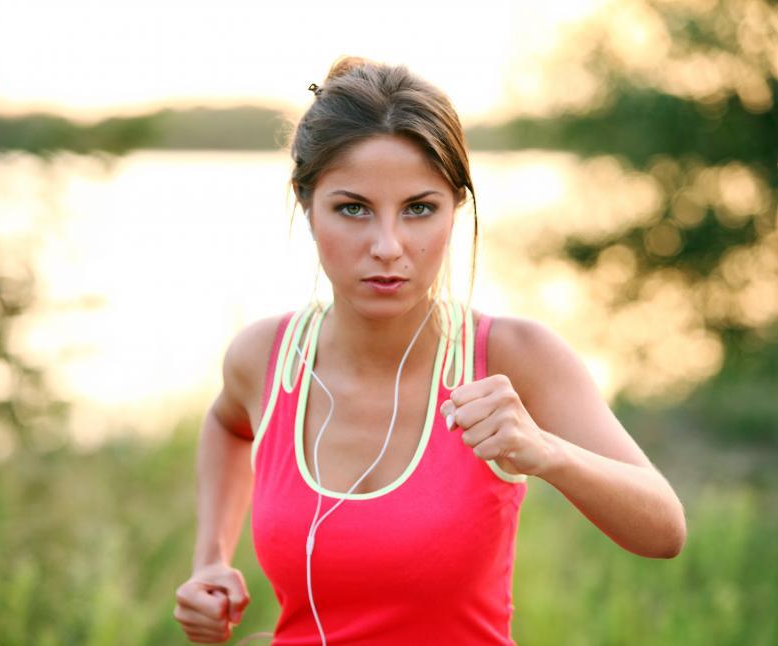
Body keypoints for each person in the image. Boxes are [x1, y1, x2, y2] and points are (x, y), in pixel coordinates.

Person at [172, 55, 687, 645]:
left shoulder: (512, 356)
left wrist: (547, 452)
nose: (388, 245)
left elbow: (664, 529)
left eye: (419, 209)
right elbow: (229, 425)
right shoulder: (264, 357)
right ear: (305, 205)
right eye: (353, 208)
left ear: (454, 209)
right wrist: (210, 559)